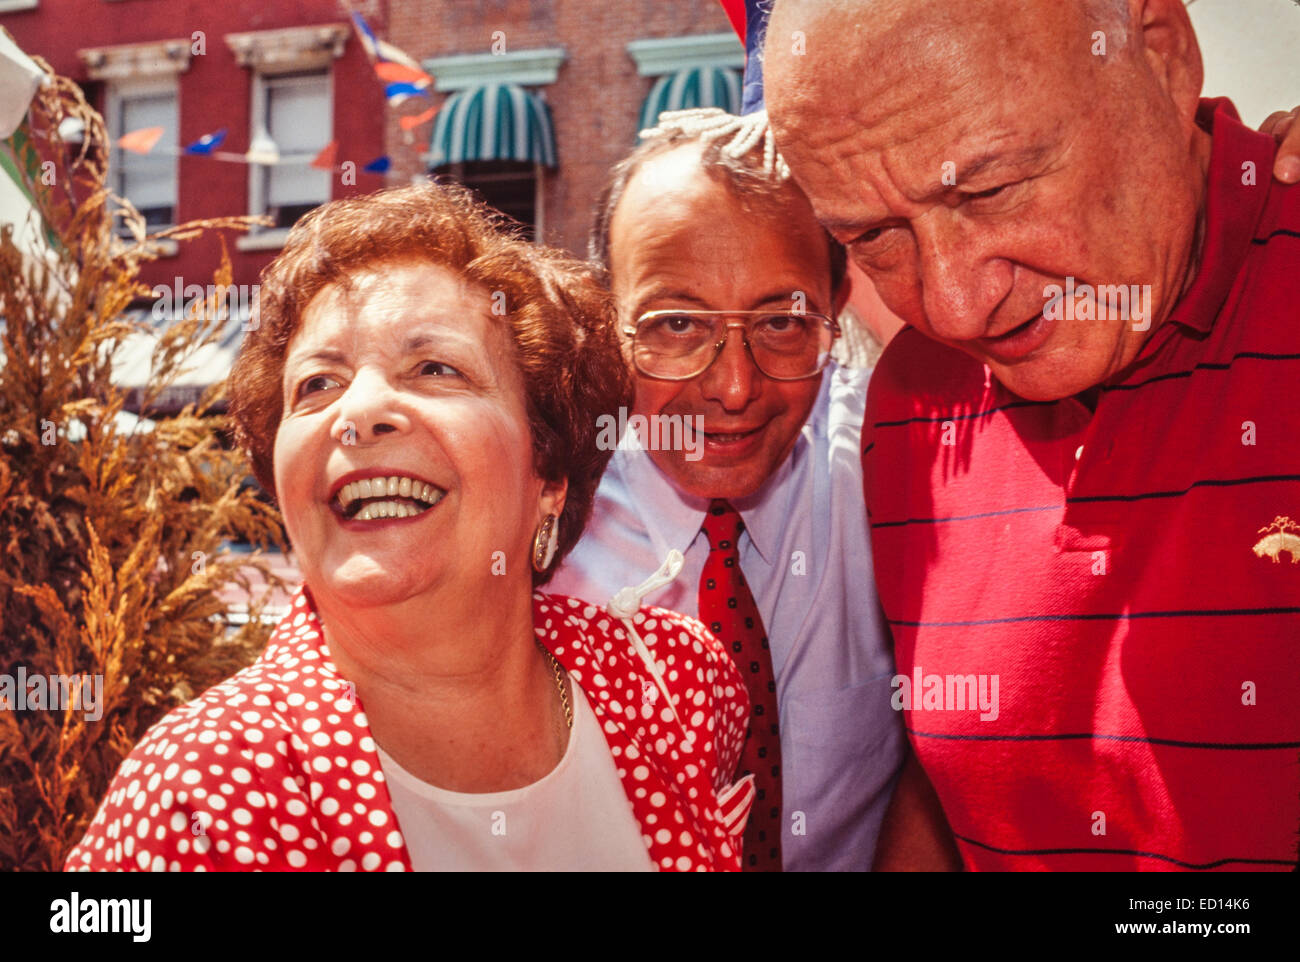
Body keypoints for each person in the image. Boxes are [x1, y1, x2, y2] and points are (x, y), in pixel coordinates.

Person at [64, 183, 755, 872]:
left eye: (434, 368)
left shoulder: (674, 683)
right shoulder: (197, 799)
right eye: (317, 384)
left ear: (549, 478)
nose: (359, 410)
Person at [764, 0, 1300, 869]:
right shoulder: (911, 400)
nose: (953, 305)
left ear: (1161, 54)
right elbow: (951, 786)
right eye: (872, 236)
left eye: (989, 188)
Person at [549, 109, 959, 871]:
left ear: (836, 304)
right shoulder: (536, 525)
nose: (735, 387)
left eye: (781, 323)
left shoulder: (896, 467)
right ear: (606, 318)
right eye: (675, 323)